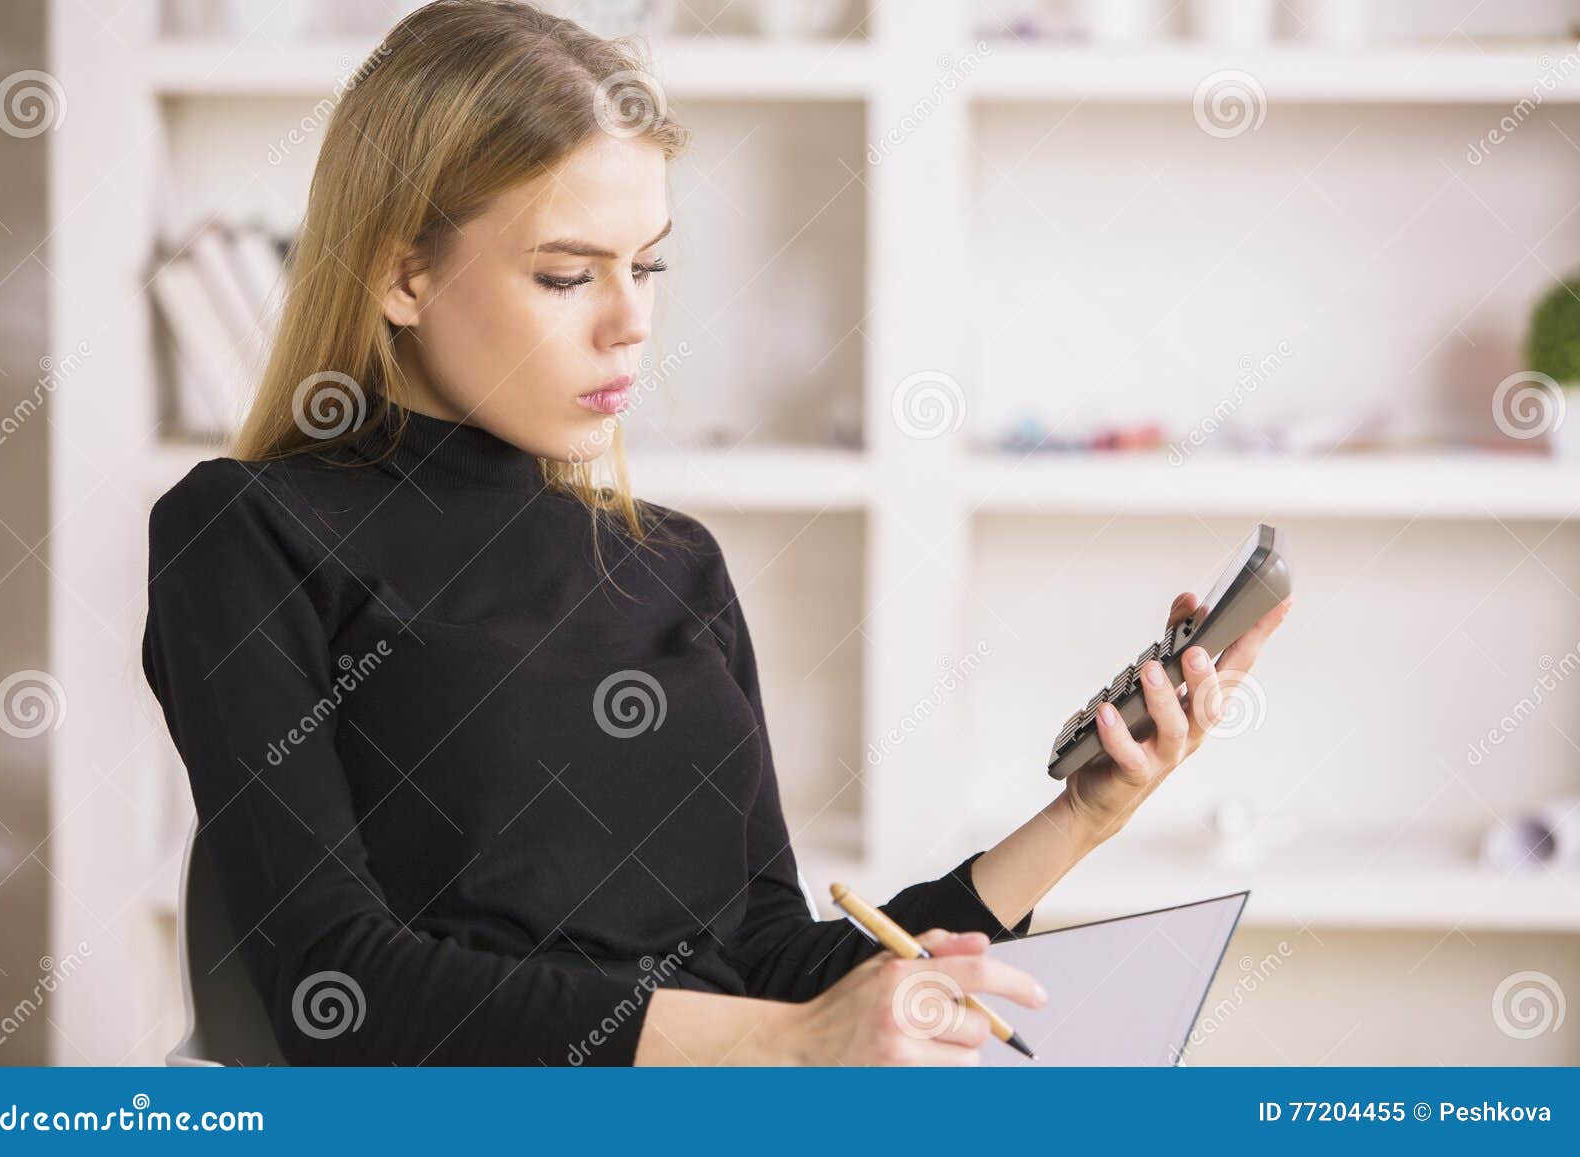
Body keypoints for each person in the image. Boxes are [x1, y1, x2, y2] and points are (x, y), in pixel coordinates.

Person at [141, 0, 1291, 1067]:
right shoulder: (246, 531)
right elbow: (335, 982)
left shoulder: (671, 562)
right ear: (402, 274)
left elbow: (769, 964)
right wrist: (787, 1042)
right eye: (565, 275)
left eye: (647, 266)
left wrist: (1086, 810)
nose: (629, 322)